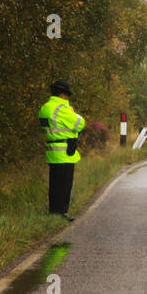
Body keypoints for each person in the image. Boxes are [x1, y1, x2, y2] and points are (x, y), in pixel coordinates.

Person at [39, 79, 85, 221]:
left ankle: (53, 212)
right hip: (65, 152)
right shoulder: (62, 109)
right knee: (65, 185)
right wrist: (73, 112)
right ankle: (61, 213)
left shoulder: (44, 108)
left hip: (52, 151)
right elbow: (80, 124)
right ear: (63, 95)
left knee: (54, 184)